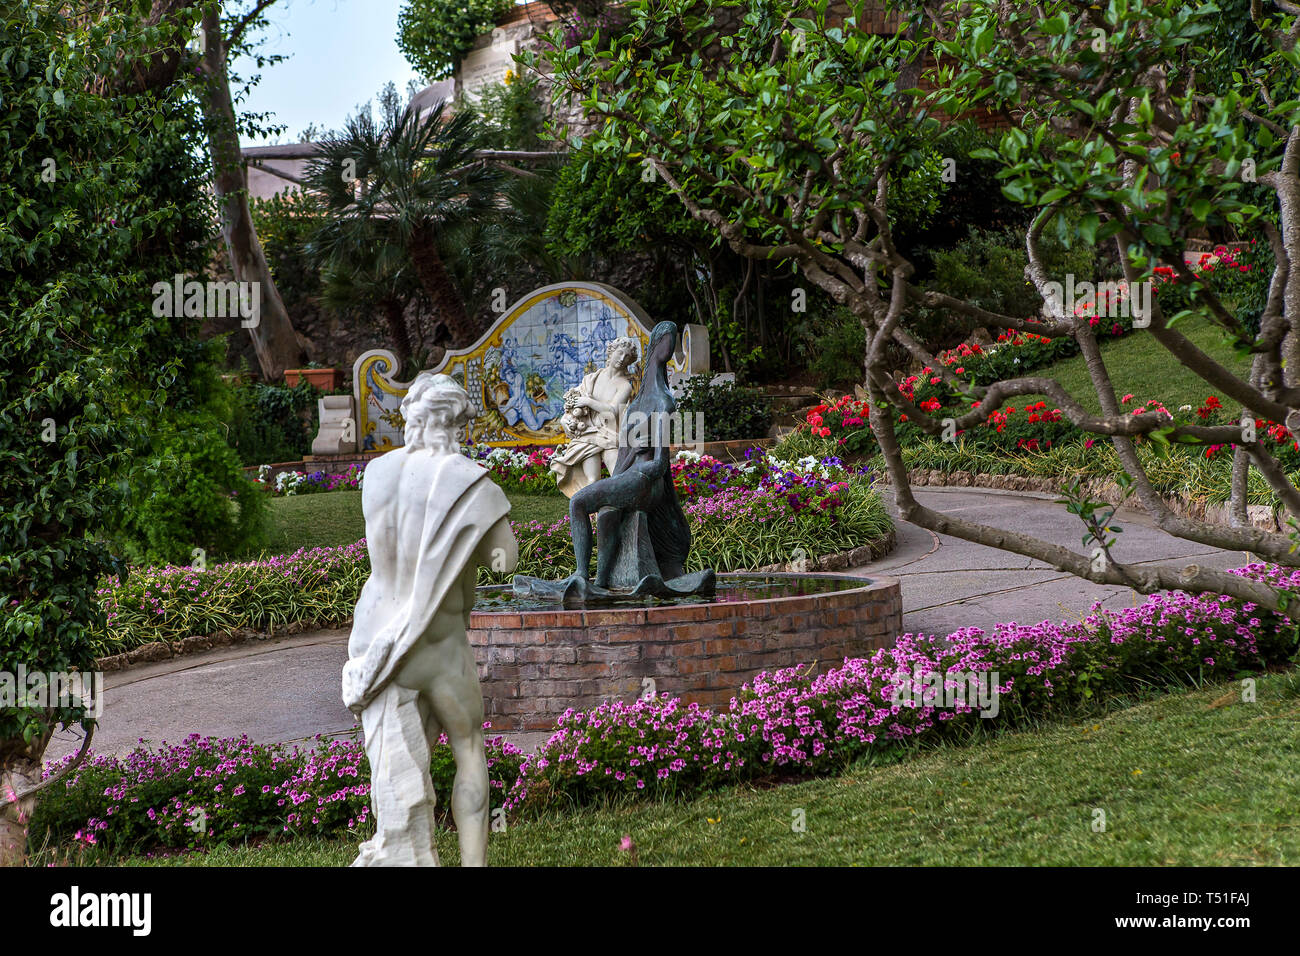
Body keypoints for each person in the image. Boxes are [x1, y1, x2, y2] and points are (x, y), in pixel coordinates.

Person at [342, 373, 517, 867]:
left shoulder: (376, 472)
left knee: (399, 759)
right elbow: (506, 559)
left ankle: (402, 849)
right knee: (467, 746)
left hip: (378, 638)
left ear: (413, 419)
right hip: (437, 642)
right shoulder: (465, 480)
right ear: (455, 422)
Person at [549, 336, 638, 496]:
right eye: (620, 353)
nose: (622, 358)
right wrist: (565, 420)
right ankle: (595, 515)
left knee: (619, 477)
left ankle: (624, 513)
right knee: (592, 480)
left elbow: (611, 411)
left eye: (627, 356)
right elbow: (572, 408)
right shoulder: (591, 379)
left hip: (610, 437)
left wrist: (587, 401)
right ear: (611, 352)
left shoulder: (625, 386)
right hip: (587, 435)